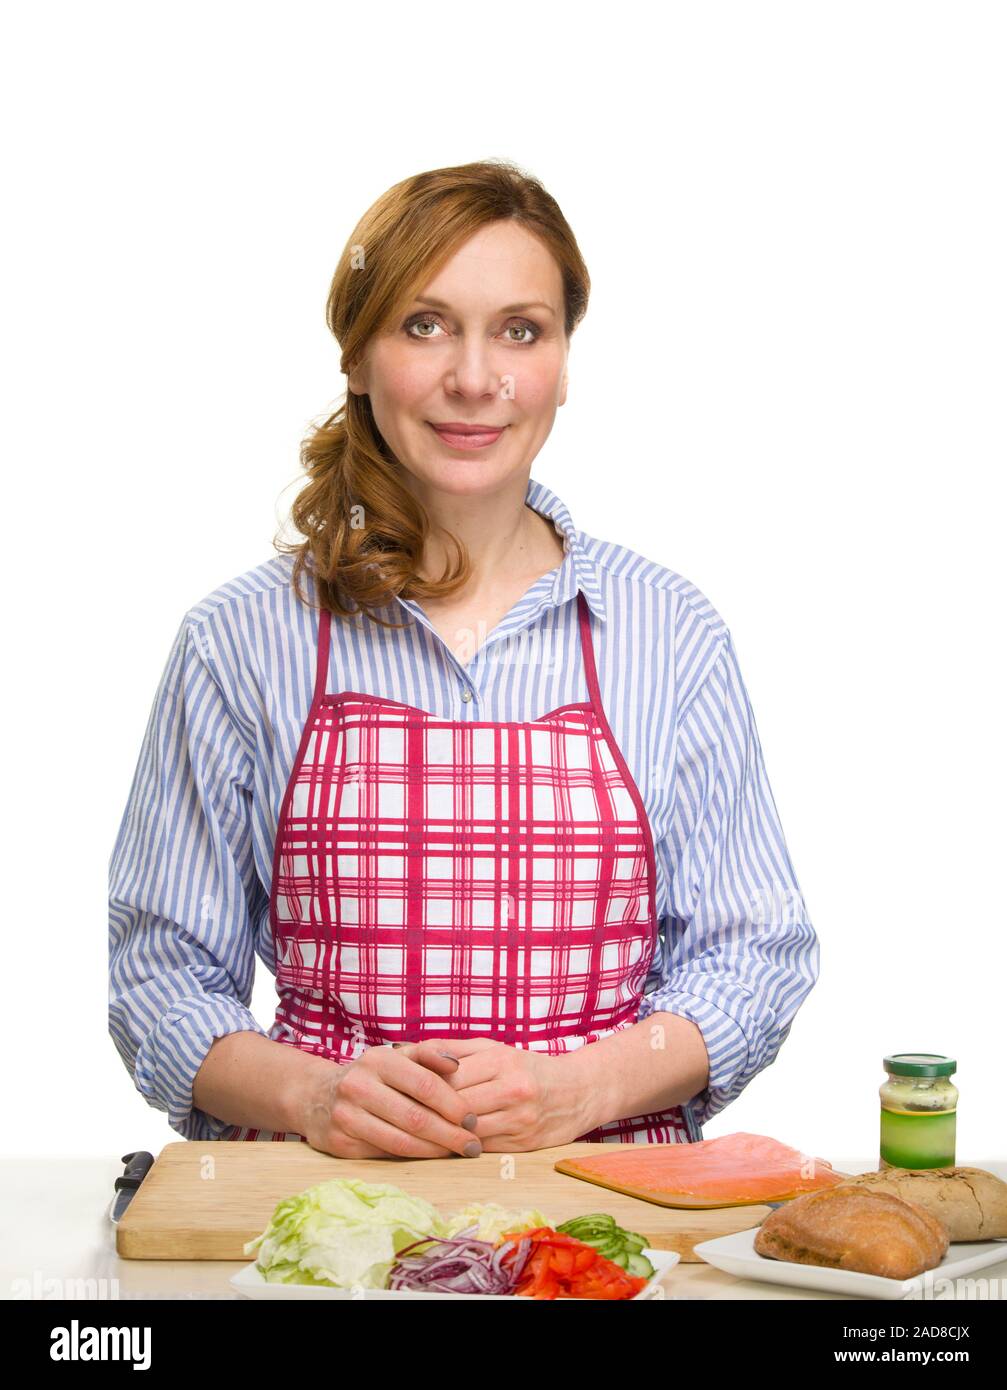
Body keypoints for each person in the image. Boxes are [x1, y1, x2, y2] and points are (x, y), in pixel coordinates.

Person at [109, 159, 819, 1159]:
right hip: (326, 1209)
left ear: (563, 362)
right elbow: (159, 976)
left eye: (519, 330)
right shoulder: (239, 639)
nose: (476, 379)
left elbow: (752, 956)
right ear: (358, 357)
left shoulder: (669, 632)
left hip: (606, 1206)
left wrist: (580, 1087)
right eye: (425, 325)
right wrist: (315, 1094)